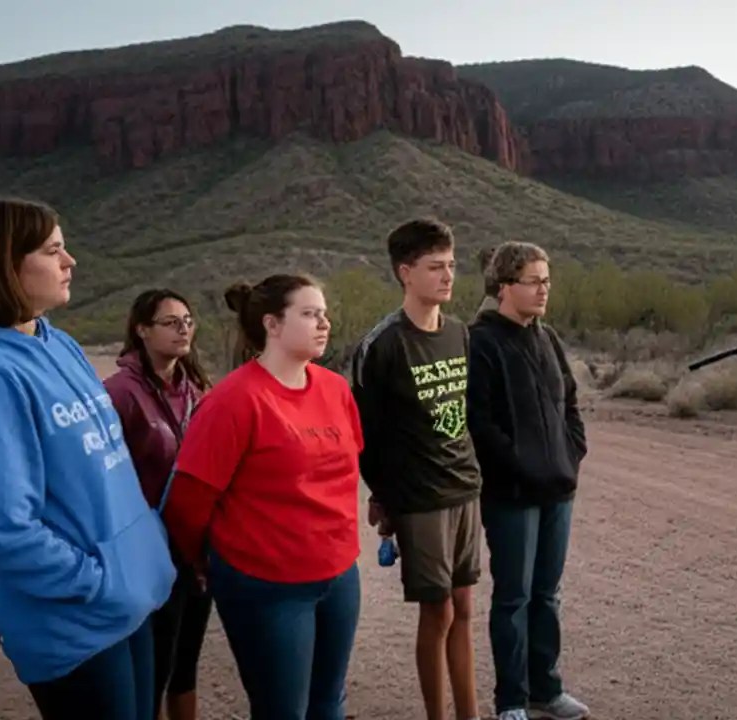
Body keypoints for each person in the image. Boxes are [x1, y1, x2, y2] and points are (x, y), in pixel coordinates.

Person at [0, 197, 176, 720]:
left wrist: (139, 556)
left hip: (128, 599)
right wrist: (96, 582)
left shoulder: (56, 343)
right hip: (75, 621)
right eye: (53, 251)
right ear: (5, 263)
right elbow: (1, 529)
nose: (71, 262)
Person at [161, 274, 364, 720]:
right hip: (269, 586)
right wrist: (203, 560)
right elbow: (187, 501)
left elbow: (346, 469)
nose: (323, 323)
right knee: (282, 710)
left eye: (324, 313)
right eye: (309, 314)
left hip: (338, 573)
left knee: (329, 704)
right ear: (272, 324)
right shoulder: (234, 401)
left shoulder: (335, 389)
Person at [350, 219, 484, 720]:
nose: (448, 276)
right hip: (419, 497)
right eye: (435, 267)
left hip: (465, 488)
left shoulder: (458, 334)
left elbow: (463, 415)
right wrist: (383, 496)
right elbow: (367, 435)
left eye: (451, 265)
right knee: (439, 610)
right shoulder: (382, 345)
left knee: (466, 606)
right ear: (406, 272)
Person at [466, 242, 590, 720]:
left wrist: (572, 452)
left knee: (547, 595)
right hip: (512, 495)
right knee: (513, 598)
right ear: (504, 287)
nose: (543, 290)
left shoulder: (547, 337)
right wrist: (521, 464)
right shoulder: (482, 342)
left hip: (559, 489)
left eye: (547, 281)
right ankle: (511, 701)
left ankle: (547, 690)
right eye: (534, 281)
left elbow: (571, 402)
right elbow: (480, 422)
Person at [104, 289, 212, 720]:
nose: (183, 328)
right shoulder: (119, 394)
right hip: (146, 551)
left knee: (185, 665)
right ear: (141, 330)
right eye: (170, 322)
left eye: (187, 320)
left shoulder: (197, 388)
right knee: (153, 667)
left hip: (194, 545)